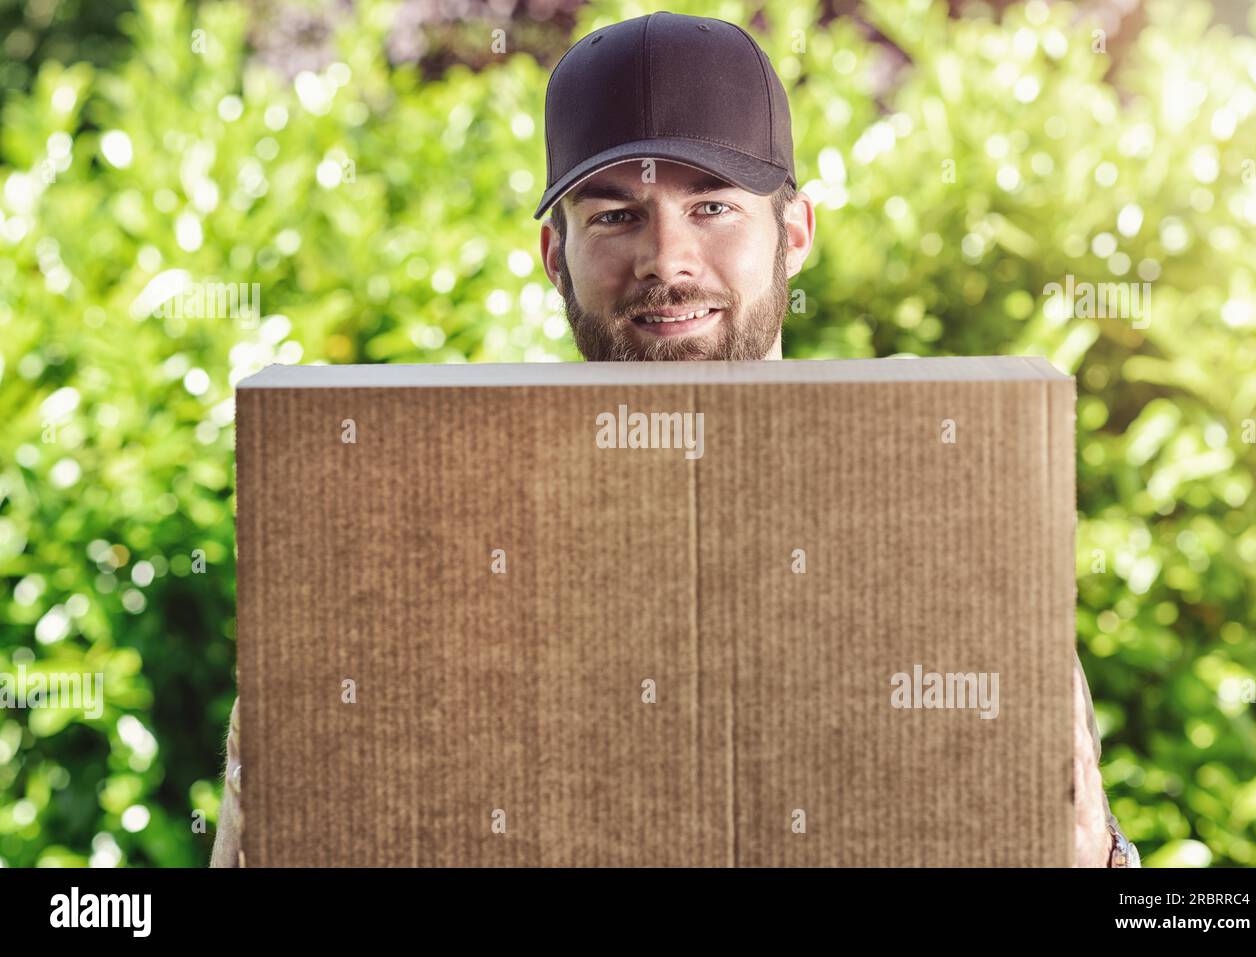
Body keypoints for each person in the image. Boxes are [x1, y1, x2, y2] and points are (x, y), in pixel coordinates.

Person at [211, 11, 1139, 867]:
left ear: (796, 232)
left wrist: (1093, 851)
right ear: (554, 257)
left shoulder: (953, 546)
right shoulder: (430, 563)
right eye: (614, 215)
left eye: (713, 205)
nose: (667, 261)